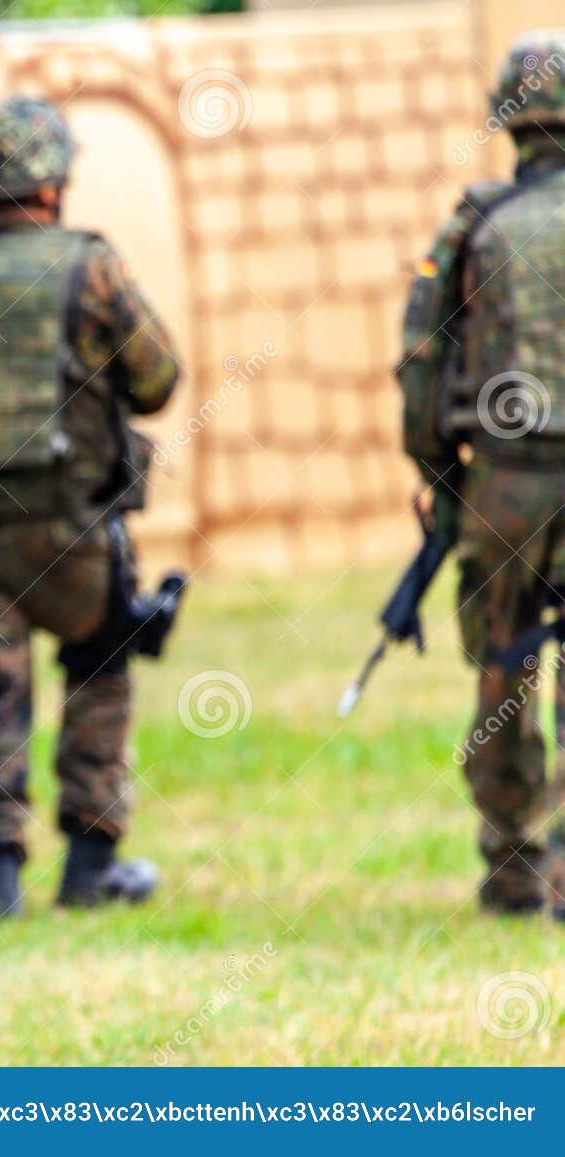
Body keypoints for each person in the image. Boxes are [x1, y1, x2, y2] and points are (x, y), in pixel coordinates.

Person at [0, 96, 180, 917]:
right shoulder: (91, 266)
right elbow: (159, 379)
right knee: (99, 669)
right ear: (53, 179)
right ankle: (91, 869)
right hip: (76, 529)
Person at [398, 32, 565, 921]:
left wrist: (436, 468)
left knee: (505, 663)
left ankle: (512, 871)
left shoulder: (477, 223)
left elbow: (423, 354)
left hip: (507, 480)